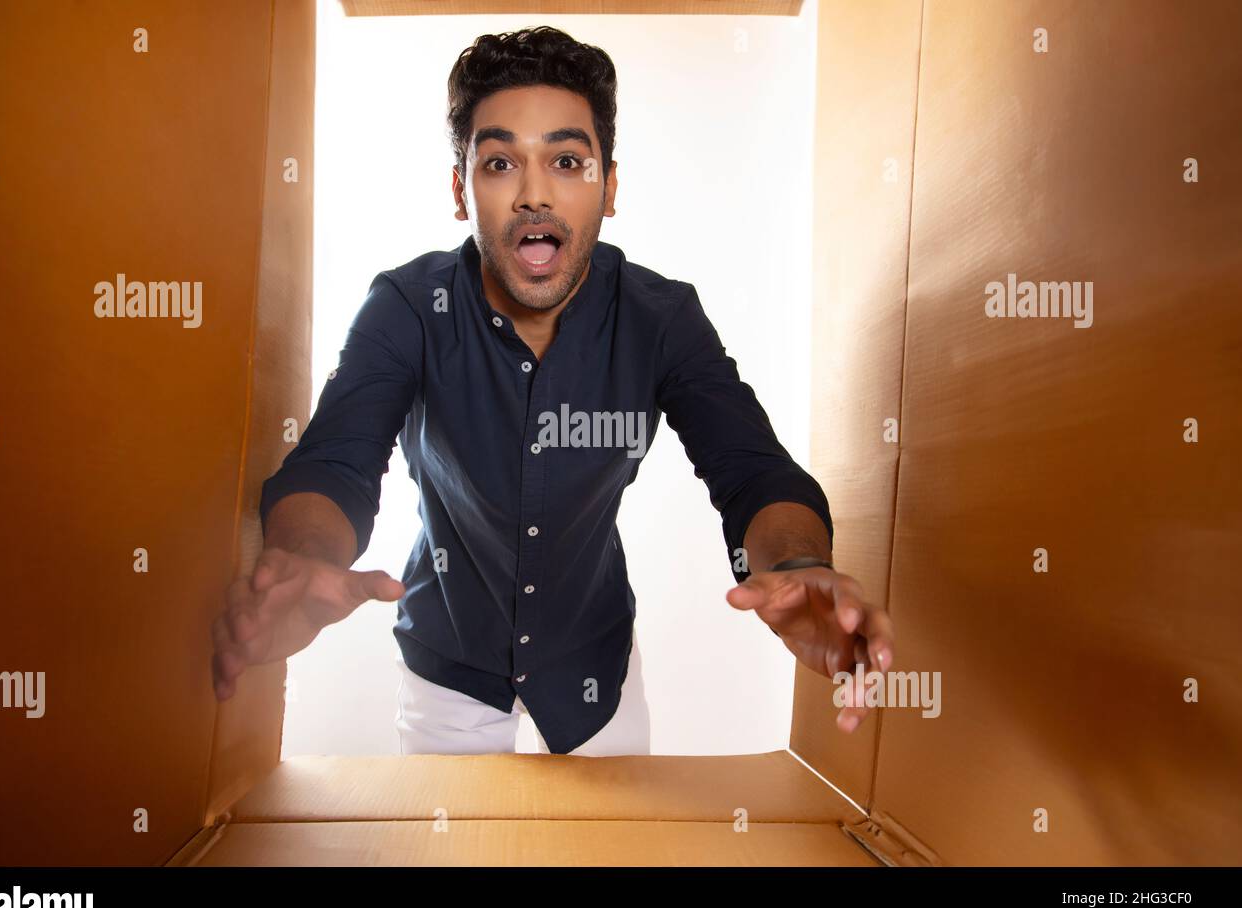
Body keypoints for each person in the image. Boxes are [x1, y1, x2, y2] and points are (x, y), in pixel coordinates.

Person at [210, 25, 895, 756]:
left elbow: (752, 472)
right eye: (501, 161)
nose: (535, 194)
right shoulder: (406, 307)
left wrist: (796, 567)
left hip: (594, 666)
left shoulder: (661, 319)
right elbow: (336, 462)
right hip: (450, 666)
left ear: (609, 186)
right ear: (460, 189)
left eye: (568, 160)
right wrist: (307, 555)